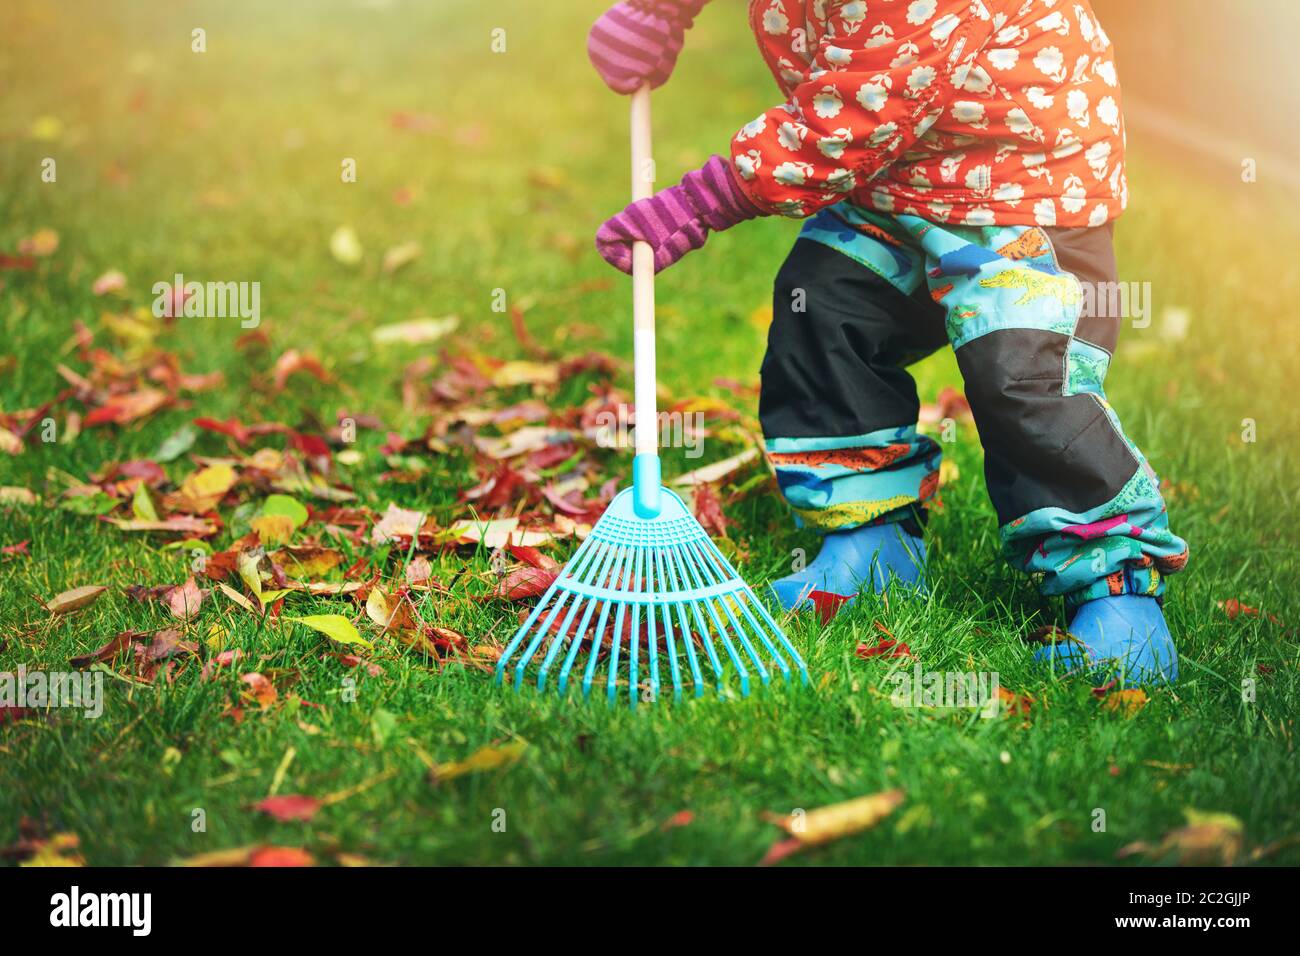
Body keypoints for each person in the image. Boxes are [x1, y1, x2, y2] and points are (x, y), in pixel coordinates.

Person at [588, 0, 1185, 684]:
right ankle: (872, 545)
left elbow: (853, 115)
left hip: (1023, 188)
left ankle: (1121, 602)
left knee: (1023, 379)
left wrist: (702, 201)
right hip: (899, 177)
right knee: (825, 310)